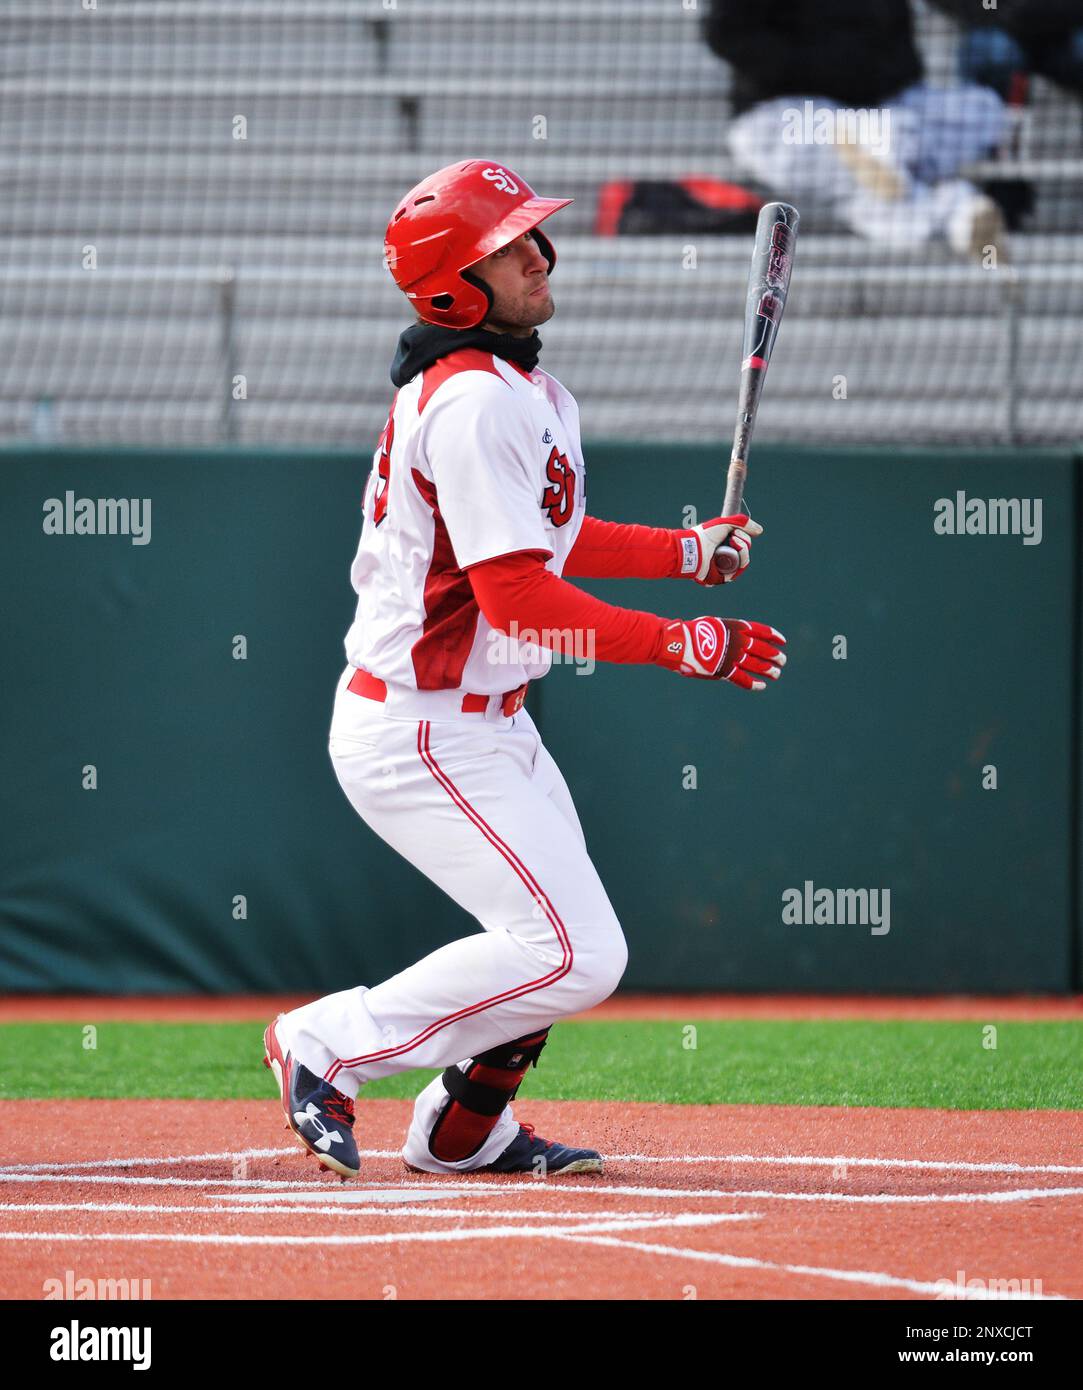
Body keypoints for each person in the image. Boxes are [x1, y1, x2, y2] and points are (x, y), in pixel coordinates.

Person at [263, 160, 787, 1180]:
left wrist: (685, 551)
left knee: (552, 936)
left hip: (483, 721)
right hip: (420, 727)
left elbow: (550, 535)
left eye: (532, 235)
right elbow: (520, 602)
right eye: (507, 246)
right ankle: (329, 1043)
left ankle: (463, 1128)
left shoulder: (523, 389)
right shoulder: (470, 403)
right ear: (455, 288)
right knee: (575, 951)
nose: (538, 253)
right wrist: (682, 642)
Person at [704, 0, 1010, 260]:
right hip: (788, 111)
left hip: (885, 106)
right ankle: (956, 211)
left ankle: (938, 200)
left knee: (982, 111)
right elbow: (725, 32)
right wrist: (820, 71)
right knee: (877, 139)